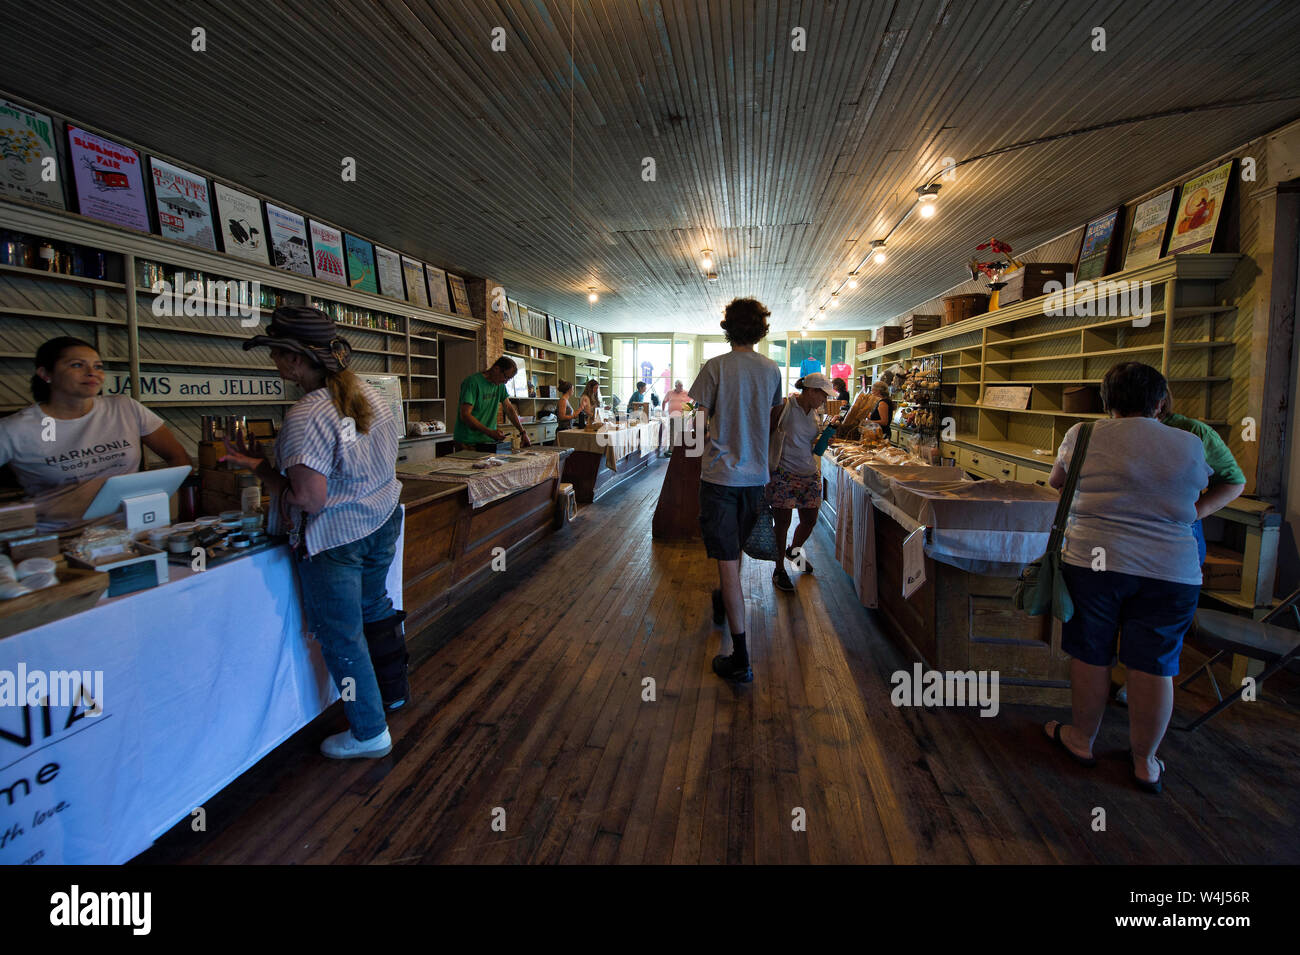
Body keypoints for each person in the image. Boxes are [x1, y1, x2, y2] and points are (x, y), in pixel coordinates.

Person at [223, 306, 406, 759]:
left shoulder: (306, 415)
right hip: (381, 519)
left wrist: (263, 472)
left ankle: (369, 732)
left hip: (337, 539)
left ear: (294, 359)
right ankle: (393, 694)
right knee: (374, 608)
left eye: (275, 353)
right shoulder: (370, 394)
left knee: (342, 637)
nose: (273, 361)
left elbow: (310, 499)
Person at [1043, 362, 1211, 794]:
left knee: (1091, 652)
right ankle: (1145, 762)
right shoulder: (1189, 442)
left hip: (1095, 561)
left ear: (1106, 401)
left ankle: (1081, 739)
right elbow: (1197, 491)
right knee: (1155, 664)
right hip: (1171, 569)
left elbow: (1056, 483)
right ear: (1160, 402)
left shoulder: (1082, 434)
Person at [690, 297, 784, 684]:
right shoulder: (771, 369)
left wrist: (702, 445)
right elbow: (772, 421)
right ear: (761, 329)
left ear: (728, 327)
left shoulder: (714, 367)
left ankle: (741, 658)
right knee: (734, 553)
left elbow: (697, 425)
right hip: (755, 479)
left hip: (720, 478)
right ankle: (723, 598)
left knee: (727, 564)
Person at [0, 336, 191, 520]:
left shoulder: (125, 407)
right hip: (58, 534)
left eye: (98, 366)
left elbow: (178, 458)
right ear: (45, 374)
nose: (92, 372)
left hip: (133, 528)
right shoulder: (14, 429)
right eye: (77, 365)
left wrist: (156, 506)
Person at [1158, 391, 1245, 564]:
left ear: (1159, 403)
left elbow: (1232, 482)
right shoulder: (1117, 433)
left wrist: (1193, 513)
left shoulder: (1192, 430)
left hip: (1179, 532)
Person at [768, 373, 836, 592]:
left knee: (810, 519)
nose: (824, 400)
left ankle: (794, 551)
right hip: (784, 473)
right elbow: (767, 433)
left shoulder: (815, 413)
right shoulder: (785, 406)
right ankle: (779, 569)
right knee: (782, 524)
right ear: (810, 390)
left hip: (809, 473)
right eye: (822, 395)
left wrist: (823, 439)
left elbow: (808, 442)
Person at [453, 356, 531, 451]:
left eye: (509, 379)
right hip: (468, 441)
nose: (505, 382)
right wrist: (489, 432)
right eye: (506, 377)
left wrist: (522, 432)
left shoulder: (500, 385)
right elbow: (465, 415)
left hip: (487, 441)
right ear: (496, 369)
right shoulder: (472, 383)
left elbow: (509, 408)